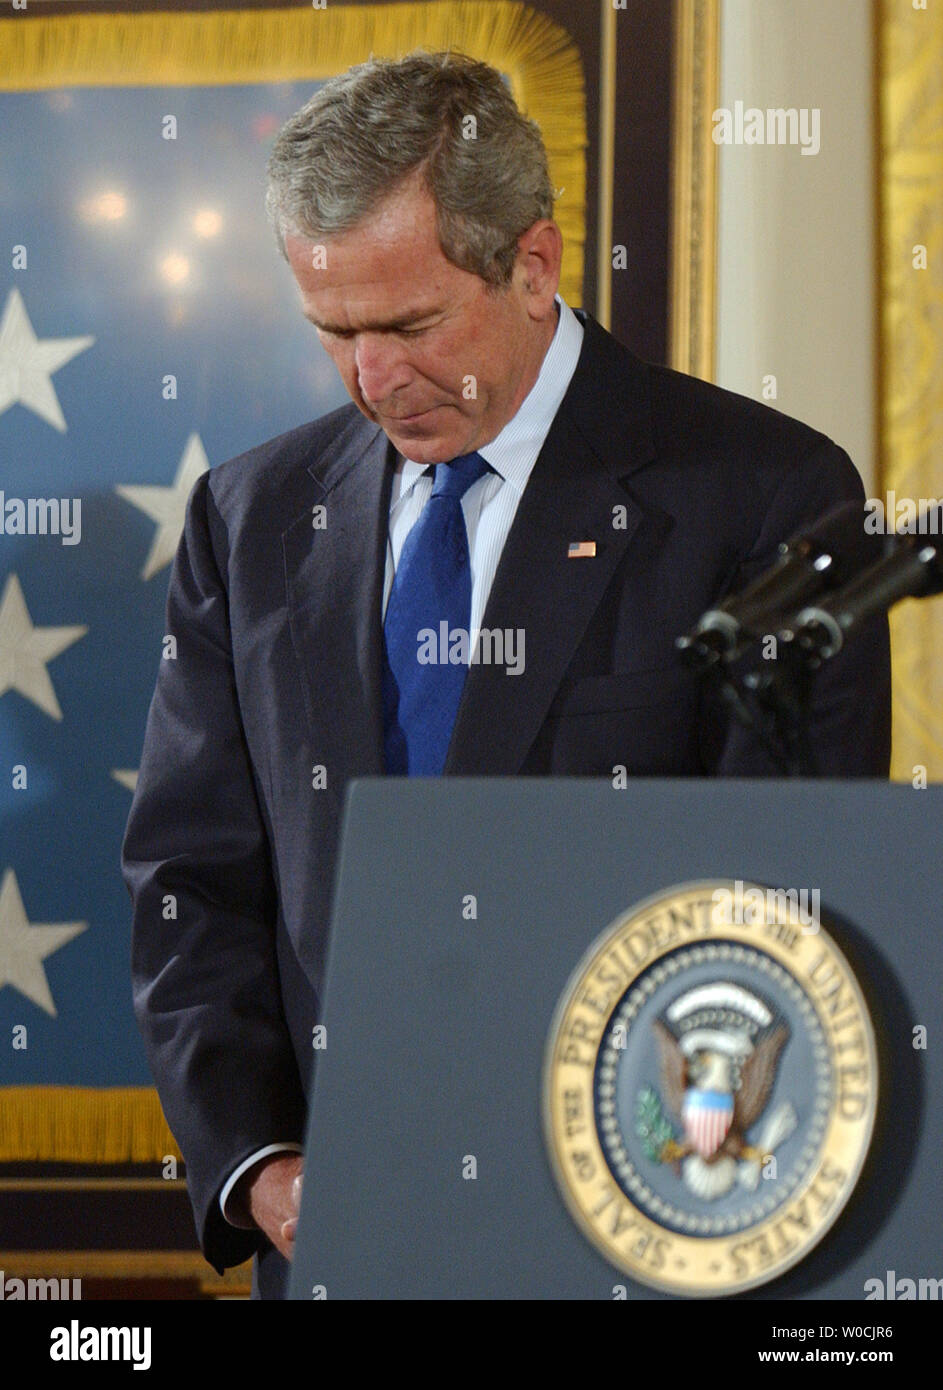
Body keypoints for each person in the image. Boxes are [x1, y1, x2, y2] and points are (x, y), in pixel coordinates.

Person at [122, 51, 891, 1300]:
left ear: (533, 265)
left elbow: (789, 894)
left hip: (648, 1231)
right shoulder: (250, 517)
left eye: (413, 327)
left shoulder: (761, 496)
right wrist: (261, 1165)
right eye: (336, 334)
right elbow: (189, 877)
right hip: (344, 1250)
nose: (375, 382)